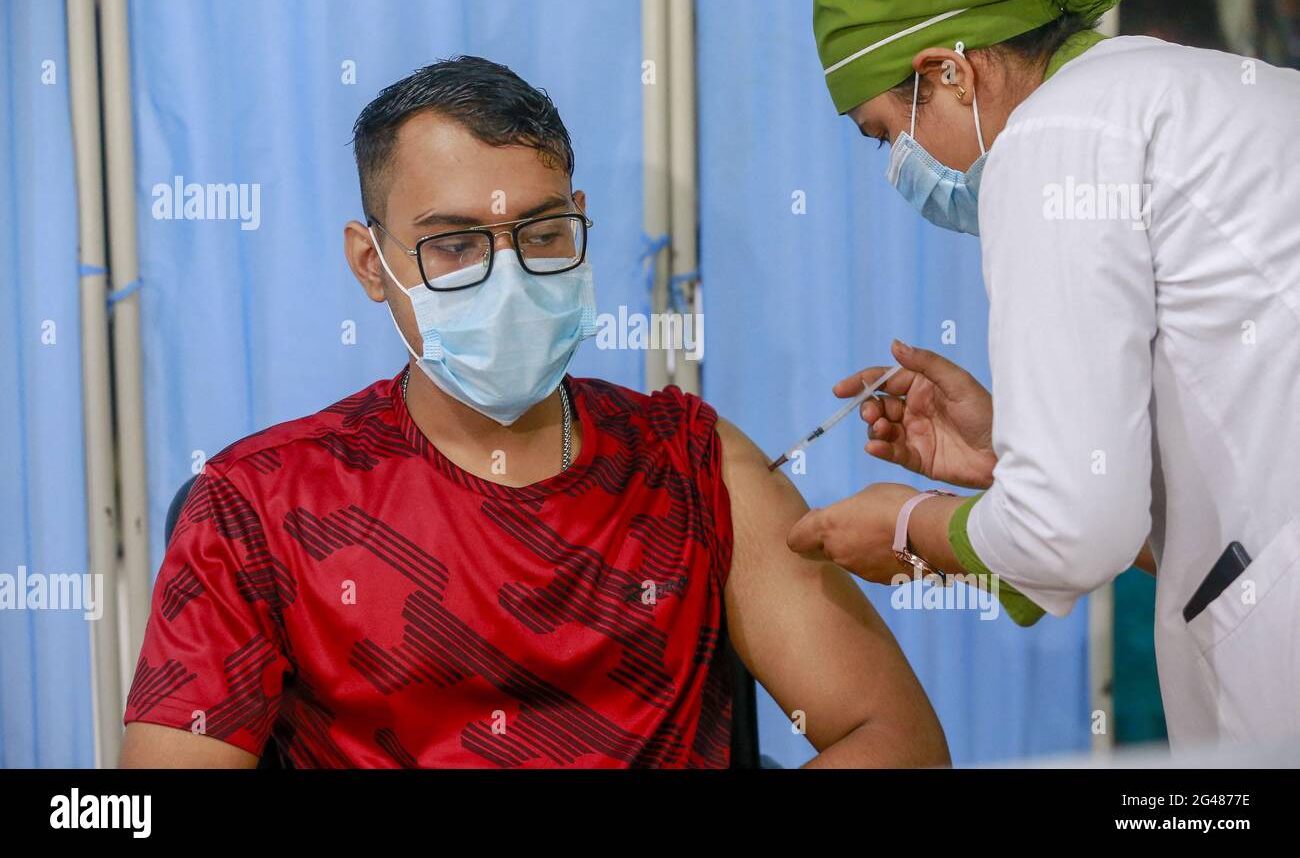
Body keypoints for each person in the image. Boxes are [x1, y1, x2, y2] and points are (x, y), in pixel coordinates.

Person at [119, 57, 948, 768]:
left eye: (543, 233)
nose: (508, 277)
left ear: (579, 222)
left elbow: (893, 738)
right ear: (371, 264)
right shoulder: (258, 502)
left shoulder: (695, 465)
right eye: (454, 244)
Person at [789, 0, 1300, 748]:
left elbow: (1071, 533)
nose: (902, 171)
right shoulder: (1181, 98)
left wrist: (910, 529)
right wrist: (1008, 454)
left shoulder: (1055, 140)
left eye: (887, 135)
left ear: (949, 73)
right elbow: (1215, 485)